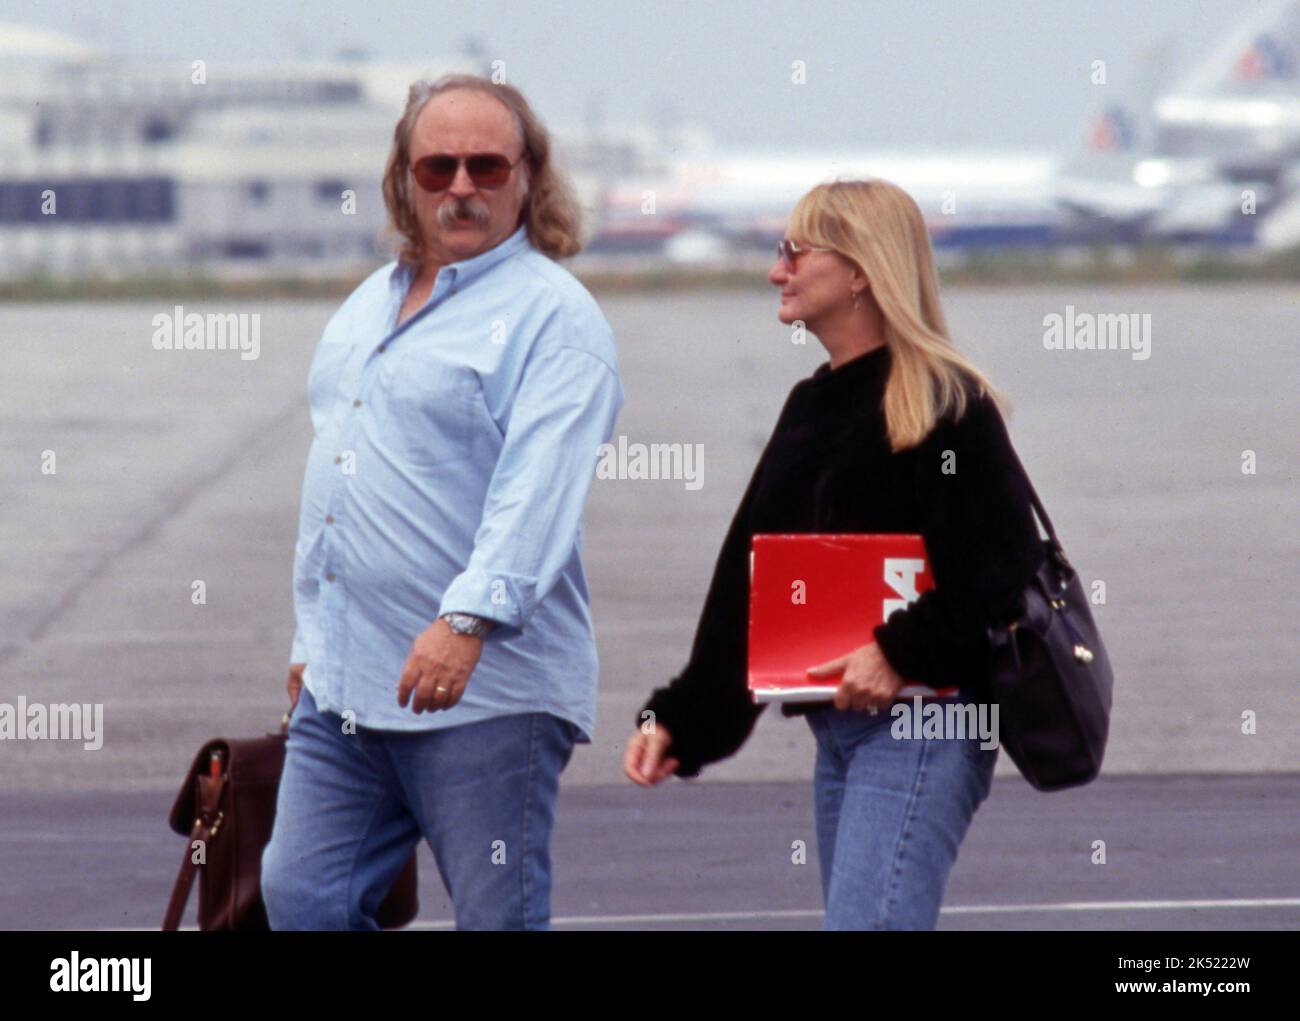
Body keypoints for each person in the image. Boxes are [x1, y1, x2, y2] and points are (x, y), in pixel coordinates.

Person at [622, 178, 1044, 930]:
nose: (774, 270)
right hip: (841, 728)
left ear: (859, 270)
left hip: (929, 721)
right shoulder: (812, 404)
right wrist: (682, 718)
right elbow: (749, 586)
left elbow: (998, 564)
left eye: (792, 251)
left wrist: (897, 650)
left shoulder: (944, 402)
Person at [262, 73, 623, 930]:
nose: (461, 186)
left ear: (529, 177)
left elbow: (537, 492)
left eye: (486, 166)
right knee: (300, 899)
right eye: (437, 168)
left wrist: (465, 623)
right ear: (403, 179)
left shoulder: (556, 320)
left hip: (488, 699)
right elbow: (338, 482)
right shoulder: (366, 306)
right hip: (347, 690)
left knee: (498, 918)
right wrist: (313, 635)